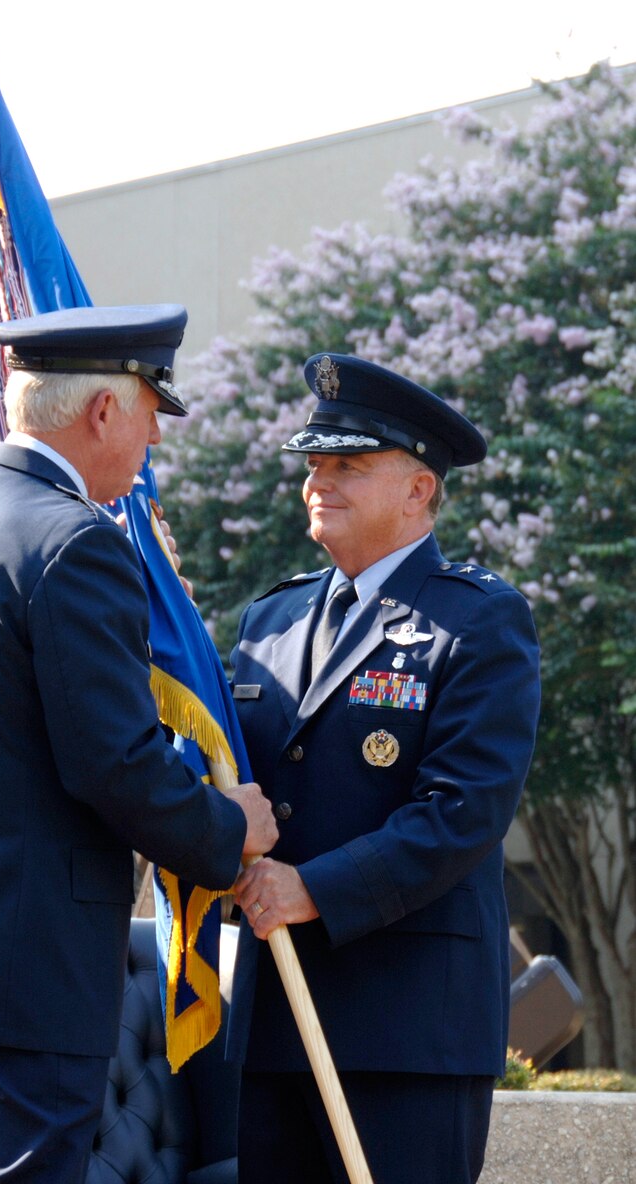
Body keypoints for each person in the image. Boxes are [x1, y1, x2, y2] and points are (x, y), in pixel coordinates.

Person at [0, 304, 278, 1184]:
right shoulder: (75, 542)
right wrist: (230, 830)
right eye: (152, 409)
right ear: (102, 413)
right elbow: (113, 764)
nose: (156, 435)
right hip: (23, 960)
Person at [228, 353, 542, 1184]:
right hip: (276, 1028)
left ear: (417, 491)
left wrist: (313, 889)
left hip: (409, 1034)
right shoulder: (269, 619)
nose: (319, 482)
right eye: (315, 464)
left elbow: (463, 812)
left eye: (350, 466)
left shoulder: (478, 621)